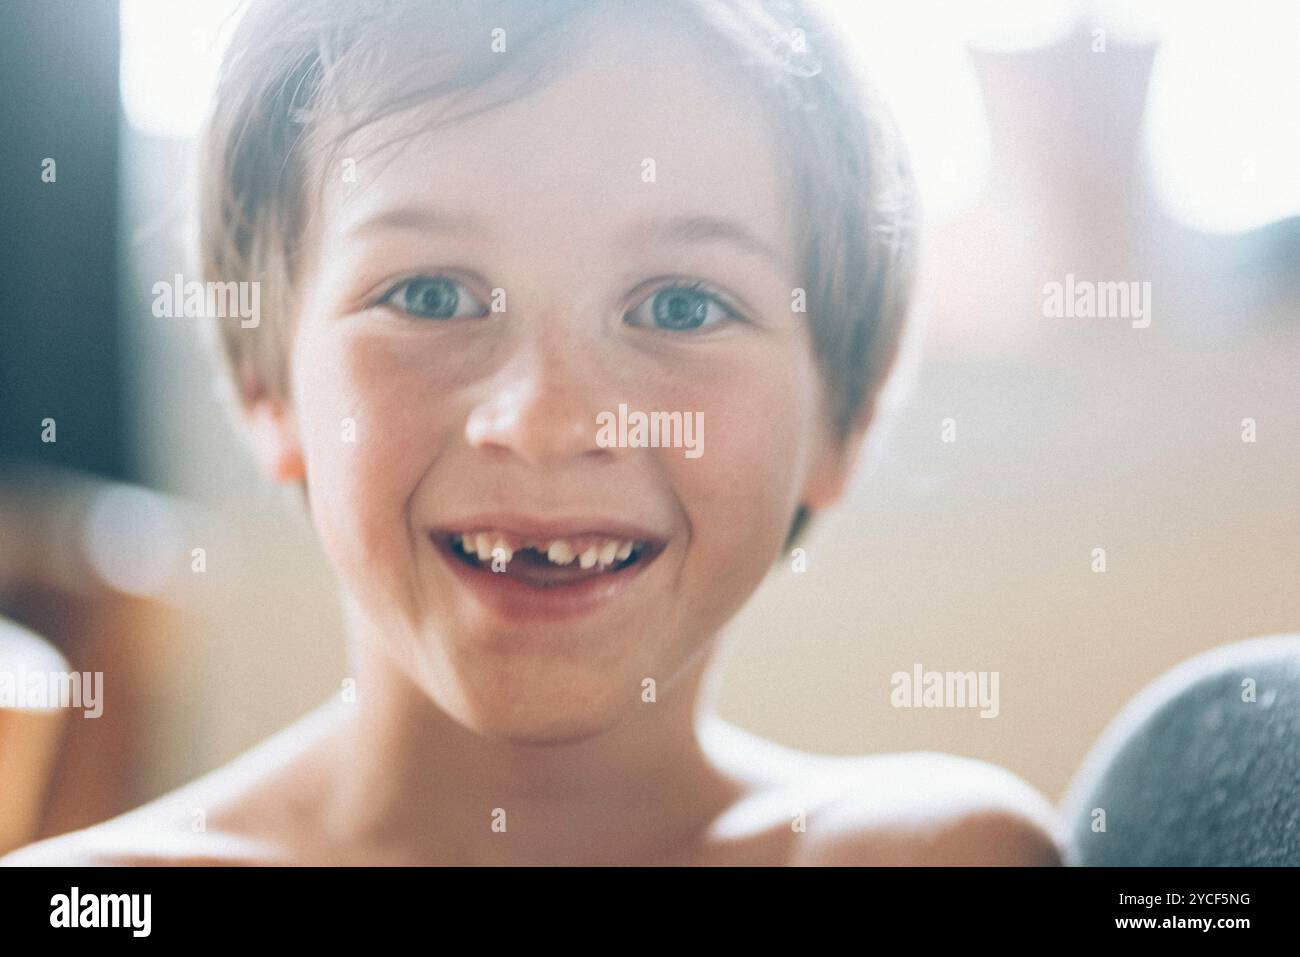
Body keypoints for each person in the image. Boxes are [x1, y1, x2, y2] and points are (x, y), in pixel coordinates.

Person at [3, 0, 1060, 866]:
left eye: (682, 307)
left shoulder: (937, 857)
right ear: (266, 385)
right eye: (428, 294)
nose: (548, 423)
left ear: (847, 415)